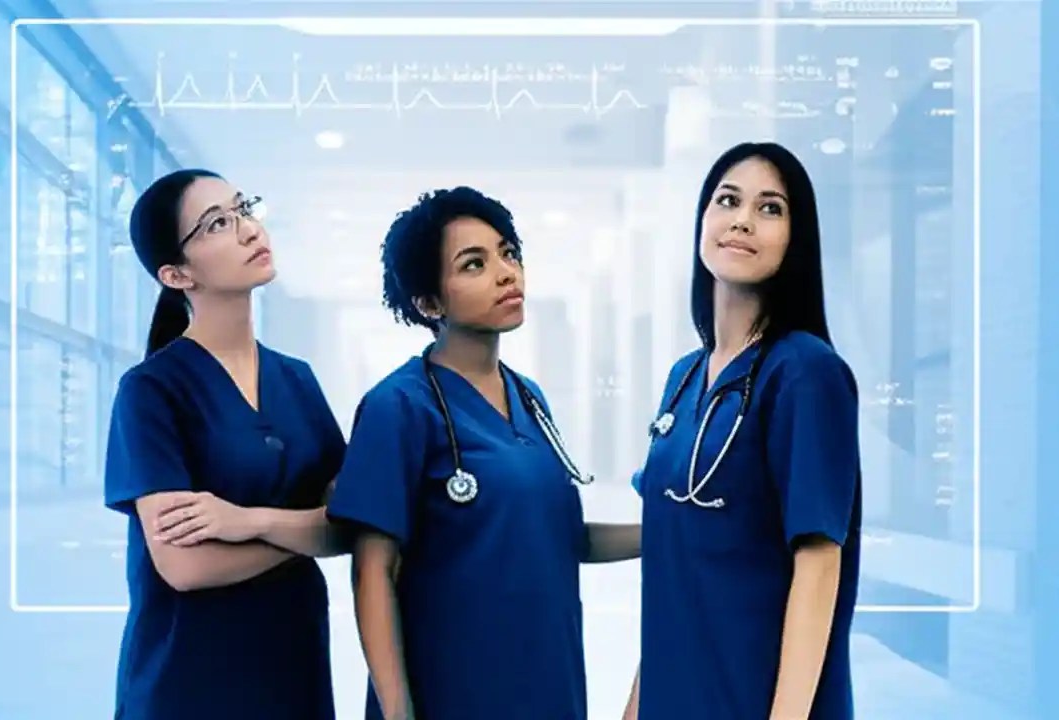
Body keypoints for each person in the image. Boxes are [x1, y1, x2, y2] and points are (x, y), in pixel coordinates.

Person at [326, 186, 642, 720]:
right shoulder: (398, 406)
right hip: (454, 689)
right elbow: (373, 571)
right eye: (474, 264)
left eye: (508, 253)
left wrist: (670, 531)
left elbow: (564, 539)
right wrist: (397, 710)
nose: (505, 272)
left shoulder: (529, 398)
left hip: (548, 683)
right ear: (429, 303)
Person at [623, 142, 863, 720]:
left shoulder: (805, 371)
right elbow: (672, 562)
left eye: (770, 208)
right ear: (703, 219)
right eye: (727, 200)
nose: (743, 220)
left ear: (795, 240)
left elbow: (819, 562)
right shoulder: (684, 379)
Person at [103, 169, 348, 720]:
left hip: (292, 668)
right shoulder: (151, 391)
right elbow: (183, 567)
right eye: (217, 223)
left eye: (244, 209)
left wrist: (249, 522)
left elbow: (351, 523)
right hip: (188, 681)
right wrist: (305, 530)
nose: (247, 230)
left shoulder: (298, 380)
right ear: (176, 273)